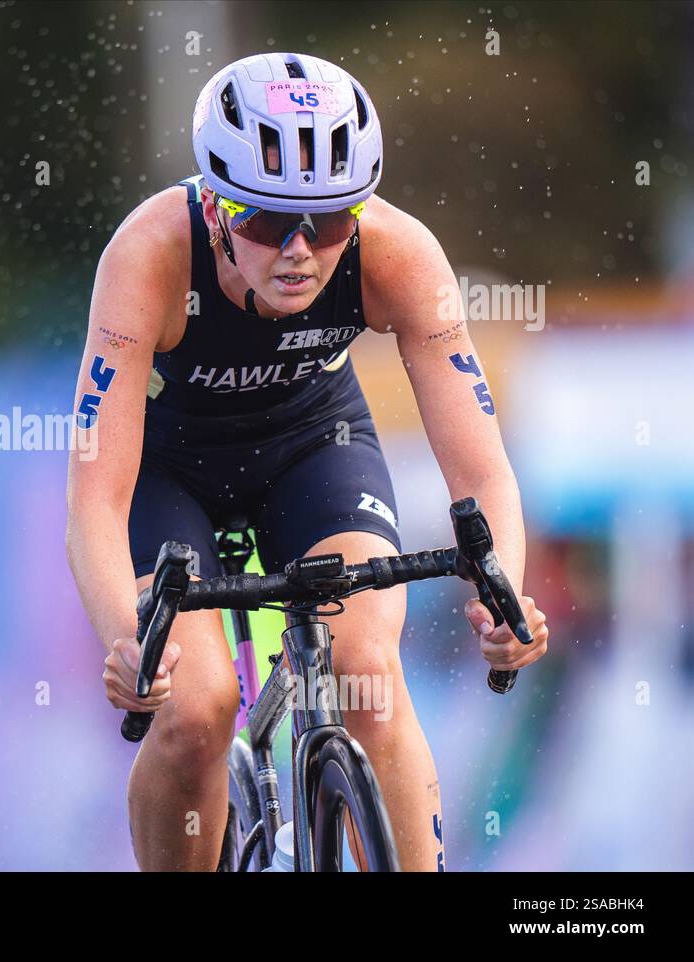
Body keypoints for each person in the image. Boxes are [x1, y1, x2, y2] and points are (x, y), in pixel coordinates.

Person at [65, 52, 550, 871]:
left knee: (369, 671)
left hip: (314, 449)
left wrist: (503, 596)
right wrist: (127, 643)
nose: (298, 250)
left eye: (327, 223)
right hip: (166, 472)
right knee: (197, 712)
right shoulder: (148, 256)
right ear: (215, 210)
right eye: (264, 221)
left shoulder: (398, 253)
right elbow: (93, 501)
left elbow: (482, 471)